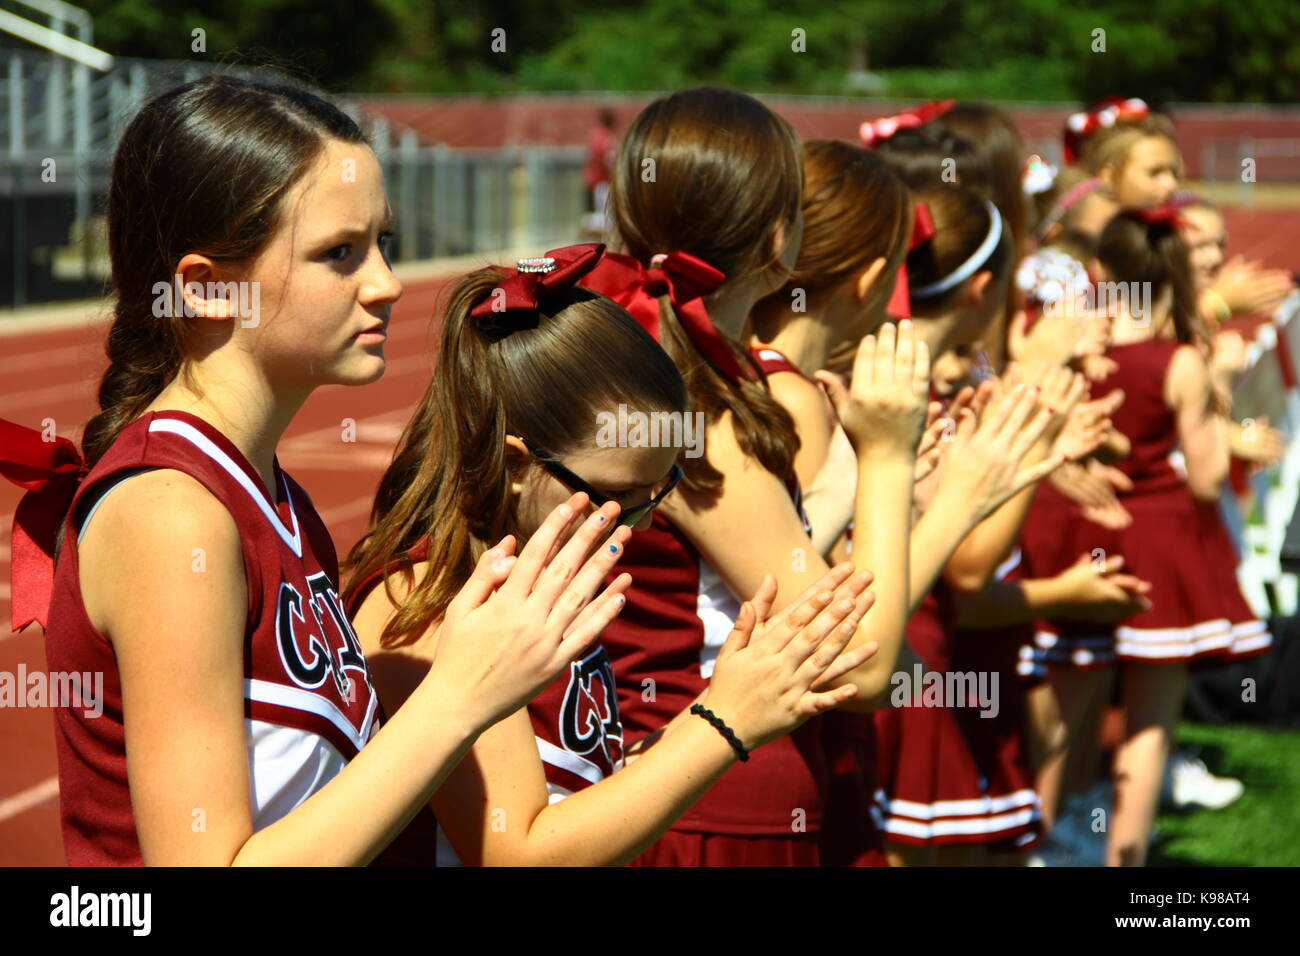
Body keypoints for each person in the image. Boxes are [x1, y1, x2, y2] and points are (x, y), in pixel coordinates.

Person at [0, 76, 632, 866]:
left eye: (383, 242)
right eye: (340, 254)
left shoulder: (273, 497)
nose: (387, 283)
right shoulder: (172, 515)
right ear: (207, 289)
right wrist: (459, 697)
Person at [340, 244, 877, 865]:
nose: (640, 522)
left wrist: (728, 699)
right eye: (619, 495)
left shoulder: (544, 576)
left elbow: (575, 790)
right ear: (516, 466)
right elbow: (517, 853)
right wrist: (724, 722)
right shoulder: (431, 604)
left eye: (658, 492)